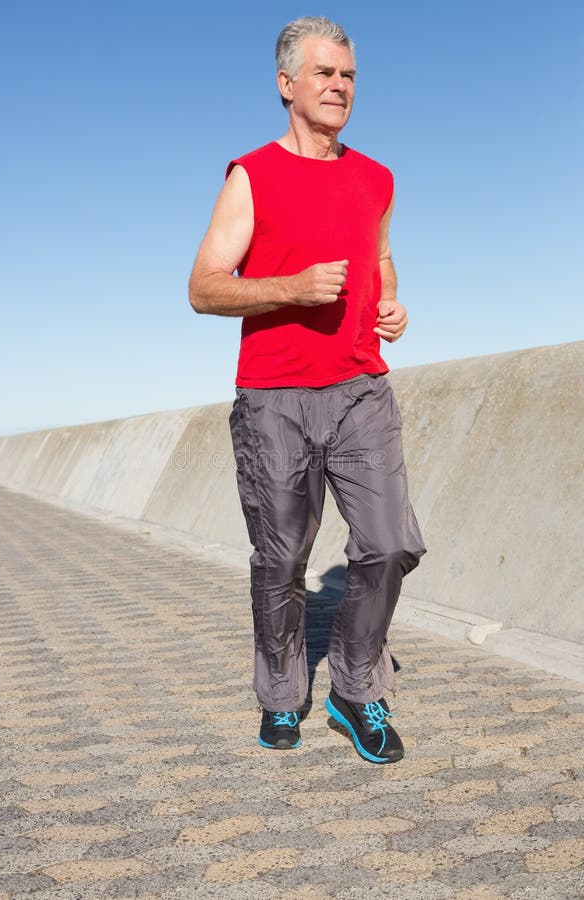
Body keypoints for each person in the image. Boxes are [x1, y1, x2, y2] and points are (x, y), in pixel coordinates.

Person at [189, 16, 426, 763]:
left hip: (361, 388)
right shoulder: (251, 175)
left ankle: (356, 693)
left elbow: (381, 257)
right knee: (283, 558)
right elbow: (202, 288)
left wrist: (391, 303)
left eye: (349, 75)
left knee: (390, 543)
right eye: (325, 74)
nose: (340, 87)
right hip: (274, 397)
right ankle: (282, 696)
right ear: (287, 85)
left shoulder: (376, 177)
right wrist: (292, 286)